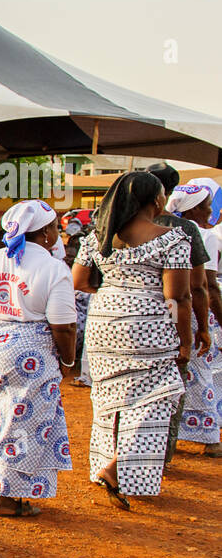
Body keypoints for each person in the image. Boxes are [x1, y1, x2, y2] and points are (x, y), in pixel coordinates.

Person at [74, 171, 192, 509]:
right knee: (158, 395)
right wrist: (184, 341)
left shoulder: (96, 236)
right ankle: (120, 468)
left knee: (110, 398)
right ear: (156, 200)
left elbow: (79, 280)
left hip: (103, 322)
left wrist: (116, 296)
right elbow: (178, 297)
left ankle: (107, 464)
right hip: (148, 324)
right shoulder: (172, 238)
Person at [0, 200, 78, 517]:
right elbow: (63, 326)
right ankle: (8, 496)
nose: (57, 232)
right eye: (55, 227)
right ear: (47, 234)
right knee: (25, 420)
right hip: (29, 353)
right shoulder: (53, 268)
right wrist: (68, 362)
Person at [164, 178, 222, 457]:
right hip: (194, 312)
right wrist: (211, 324)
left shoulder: (163, 230)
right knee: (202, 374)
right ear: (192, 210)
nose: (210, 212)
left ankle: (170, 434)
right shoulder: (204, 235)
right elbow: (206, 286)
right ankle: (209, 437)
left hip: (168, 312)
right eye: (207, 207)